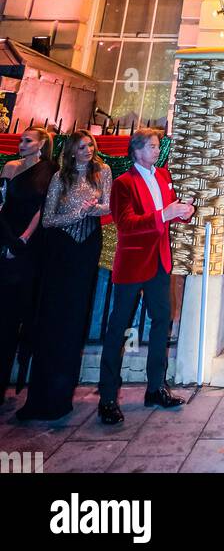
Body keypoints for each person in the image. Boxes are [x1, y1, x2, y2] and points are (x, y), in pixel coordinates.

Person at [97, 128, 194, 427]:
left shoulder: (162, 176)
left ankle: (156, 387)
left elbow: (165, 214)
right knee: (118, 328)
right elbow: (125, 223)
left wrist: (181, 211)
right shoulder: (124, 183)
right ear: (137, 151)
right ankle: (108, 398)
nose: (156, 150)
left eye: (157, 146)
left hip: (159, 262)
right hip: (133, 262)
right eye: (151, 146)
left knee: (162, 322)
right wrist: (165, 214)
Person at [17, 131, 111, 422]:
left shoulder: (102, 172)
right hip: (62, 249)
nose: (87, 150)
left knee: (74, 319)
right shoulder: (61, 178)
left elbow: (110, 205)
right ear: (70, 151)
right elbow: (48, 219)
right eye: (82, 146)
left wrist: (93, 210)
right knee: (53, 319)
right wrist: (74, 216)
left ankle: (63, 394)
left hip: (87, 246)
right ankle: (43, 395)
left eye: (90, 145)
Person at [0, 127, 56, 402]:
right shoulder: (10, 167)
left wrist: (24, 239)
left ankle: (23, 371)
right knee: (4, 316)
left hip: (31, 245)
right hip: (6, 237)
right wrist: (9, 239)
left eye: (27, 140)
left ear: (41, 144)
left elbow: (44, 208)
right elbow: (0, 202)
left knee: (26, 309)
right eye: (21, 140)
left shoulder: (50, 170)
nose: (21, 144)